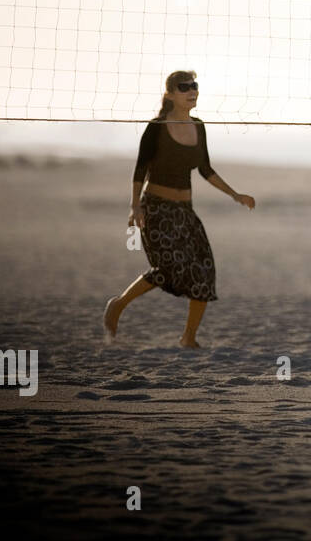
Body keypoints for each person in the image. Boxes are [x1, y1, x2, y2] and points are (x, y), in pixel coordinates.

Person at [103, 70, 256, 347]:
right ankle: (119, 304)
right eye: (184, 87)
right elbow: (140, 169)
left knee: (204, 269)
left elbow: (206, 170)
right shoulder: (157, 127)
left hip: (185, 210)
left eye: (194, 86)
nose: (191, 91)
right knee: (168, 267)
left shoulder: (198, 126)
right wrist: (135, 206)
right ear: (171, 94)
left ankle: (189, 337)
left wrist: (235, 194)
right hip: (156, 208)